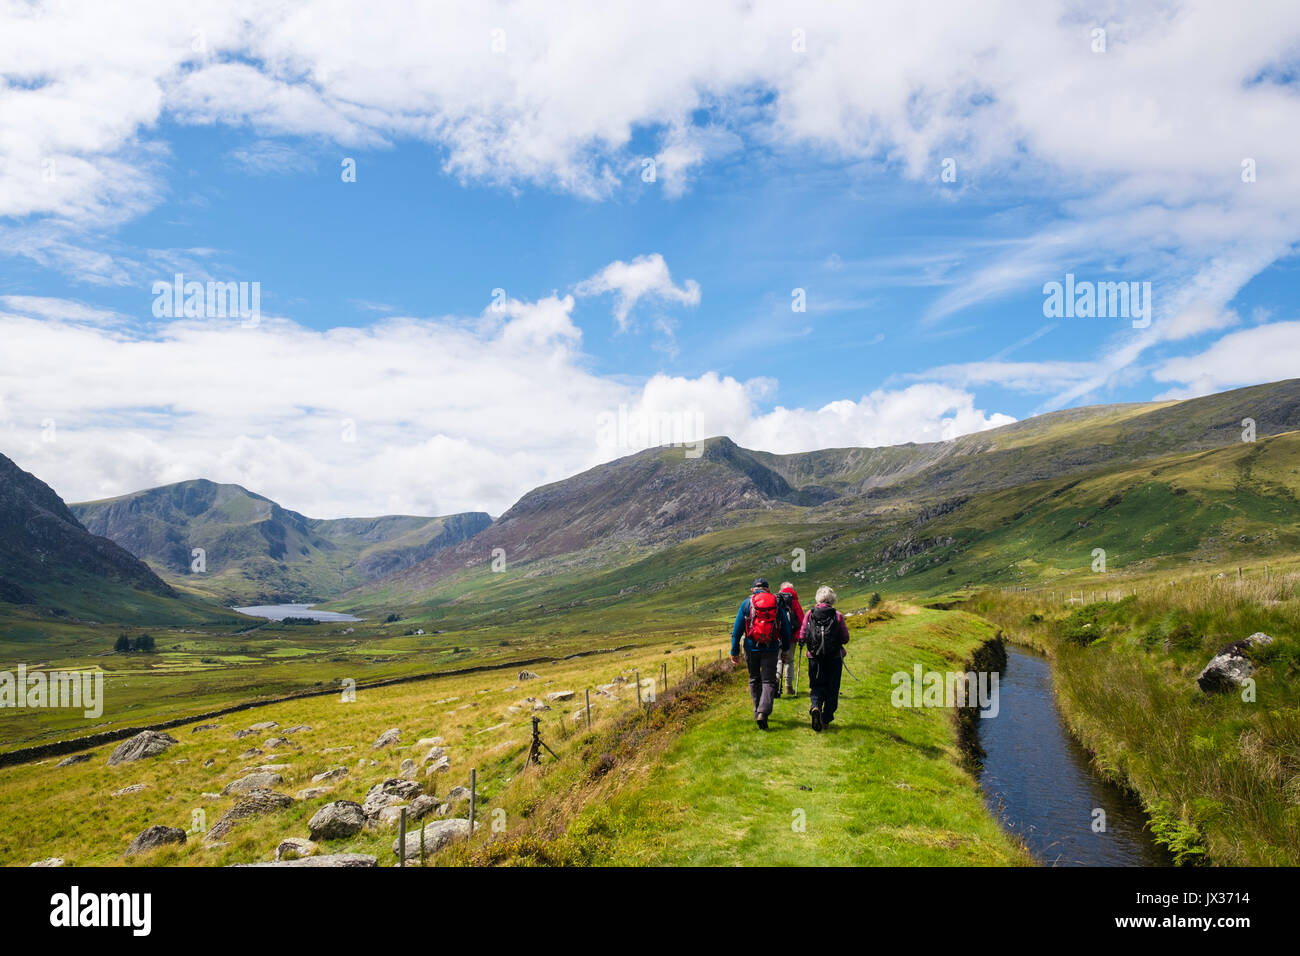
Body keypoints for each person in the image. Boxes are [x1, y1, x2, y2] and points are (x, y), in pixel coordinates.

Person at [730, 578, 793, 729]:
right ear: (768, 588)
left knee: (754, 678)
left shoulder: (746, 604)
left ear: (753, 589)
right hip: (771, 648)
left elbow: (737, 630)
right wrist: (785, 649)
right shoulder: (776, 603)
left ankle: (757, 709)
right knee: (768, 681)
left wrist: (734, 651)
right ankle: (763, 712)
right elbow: (785, 628)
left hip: (751, 648)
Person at [798, 585, 850, 731]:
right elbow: (845, 638)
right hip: (834, 657)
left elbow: (802, 634)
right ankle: (826, 718)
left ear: (818, 598)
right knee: (832, 687)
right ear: (832, 599)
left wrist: (803, 643)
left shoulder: (810, 613)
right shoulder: (837, 615)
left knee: (816, 684)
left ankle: (815, 706)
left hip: (814, 657)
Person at [774, 582, 805, 698]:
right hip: (791, 637)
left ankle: (776, 680)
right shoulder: (795, 602)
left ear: (781, 590)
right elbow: (801, 620)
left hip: (777, 637)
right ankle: (788, 687)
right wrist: (798, 636)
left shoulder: (776, 601)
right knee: (789, 661)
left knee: (778, 660)